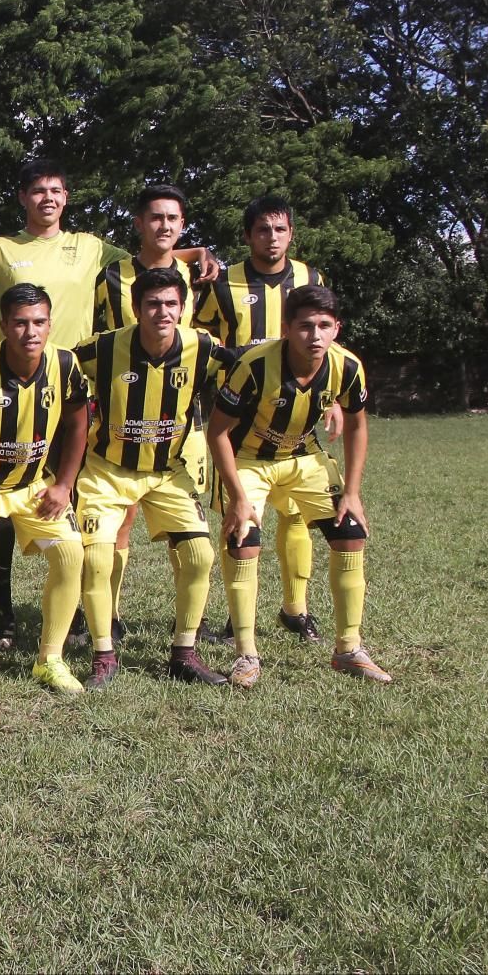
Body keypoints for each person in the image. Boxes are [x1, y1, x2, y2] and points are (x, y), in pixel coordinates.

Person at [0, 160, 218, 648]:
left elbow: (152, 255)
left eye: (57, 189)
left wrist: (197, 253)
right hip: (17, 388)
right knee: (1, 495)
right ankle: (0, 612)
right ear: (23, 197)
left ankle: (95, 614)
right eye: (39, 190)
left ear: (67, 198)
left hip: (80, 390)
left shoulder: (90, 247)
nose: (48, 197)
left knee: (96, 505)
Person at [207, 284, 387, 687]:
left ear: (337, 328)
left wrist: (353, 492)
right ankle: (246, 655)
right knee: (243, 540)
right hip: (247, 461)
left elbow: (357, 423)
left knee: (351, 534)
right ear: (287, 328)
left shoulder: (348, 366)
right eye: (305, 326)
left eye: (325, 325)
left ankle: (349, 649)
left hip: (302, 457)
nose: (315, 336)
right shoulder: (253, 364)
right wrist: (237, 497)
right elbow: (217, 431)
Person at [73, 267, 234, 689]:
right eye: (153, 304)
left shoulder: (204, 348)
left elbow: (249, 378)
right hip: (107, 472)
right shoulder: (102, 349)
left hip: (168, 473)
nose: (162, 311)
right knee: (96, 558)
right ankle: (103, 654)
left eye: (171, 304)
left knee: (200, 556)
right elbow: (55, 372)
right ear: (135, 308)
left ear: (184, 308)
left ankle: (184, 653)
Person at [194, 195, 331, 643]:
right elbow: (203, 339)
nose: (271, 238)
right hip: (240, 420)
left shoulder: (311, 277)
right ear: (248, 235)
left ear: (291, 233)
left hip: (296, 419)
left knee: (294, 516)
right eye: (262, 230)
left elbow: (323, 339)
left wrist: (332, 406)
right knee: (241, 517)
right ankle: (238, 620)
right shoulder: (224, 282)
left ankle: (296, 609)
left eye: (279, 229)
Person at [0, 284, 88, 692]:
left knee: (70, 554)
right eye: (20, 323)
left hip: (35, 487)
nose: (31, 332)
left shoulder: (66, 364)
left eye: (39, 322)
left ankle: (50, 659)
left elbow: (78, 424)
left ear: (50, 323)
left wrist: (64, 483)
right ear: (3, 325)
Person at [87, 184, 213, 643]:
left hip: (181, 422)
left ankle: (188, 634)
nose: (164, 226)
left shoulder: (195, 273)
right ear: (139, 223)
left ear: (182, 226)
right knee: (119, 522)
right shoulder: (112, 276)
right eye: (155, 218)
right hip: (121, 412)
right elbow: (101, 339)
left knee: (187, 531)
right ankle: (109, 617)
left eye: (173, 219)